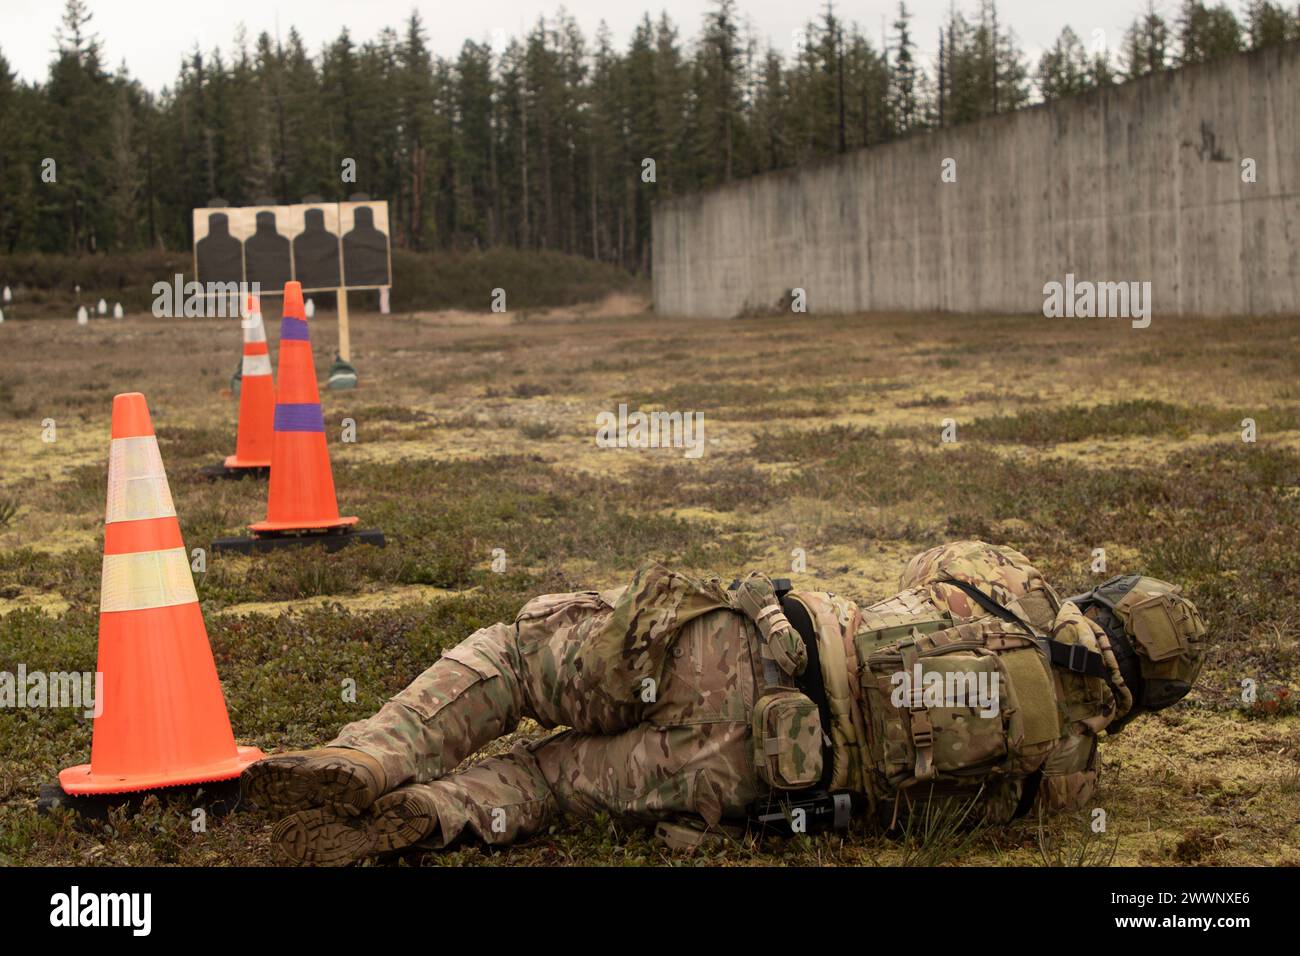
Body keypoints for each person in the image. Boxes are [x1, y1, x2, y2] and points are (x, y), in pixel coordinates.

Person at [242, 540, 1206, 864]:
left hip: (735, 650)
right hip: (759, 777)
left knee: (521, 658)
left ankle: (369, 758)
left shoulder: (1016, 583)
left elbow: (928, 563)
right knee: (545, 785)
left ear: (1107, 602)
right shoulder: (1068, 778)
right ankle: (431, 814)